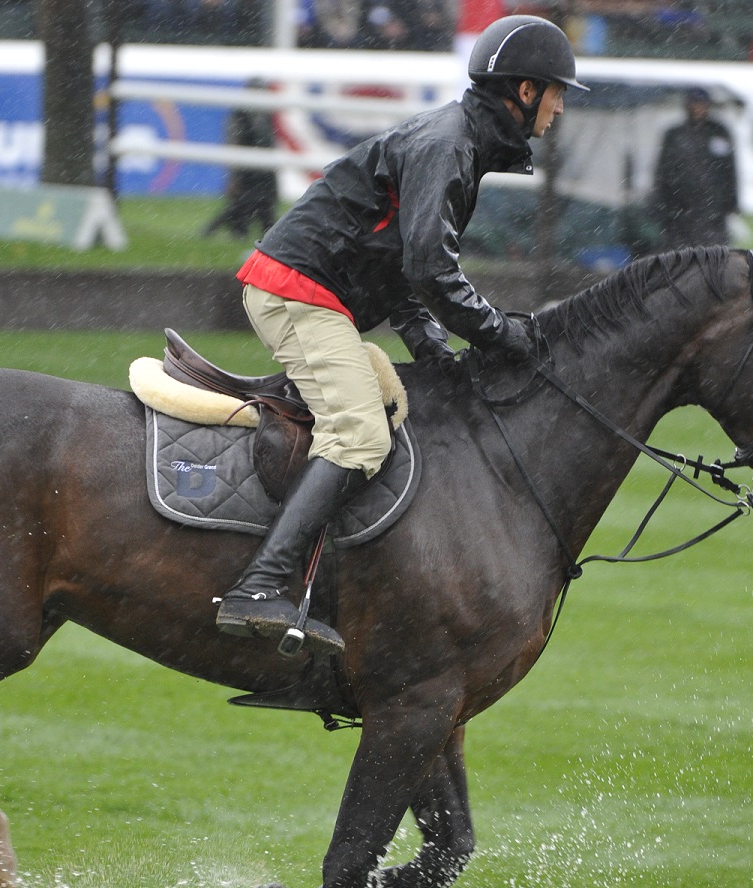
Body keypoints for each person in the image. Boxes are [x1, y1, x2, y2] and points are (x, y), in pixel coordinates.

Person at [215, 14, 587, 655]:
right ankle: (261, 585)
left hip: (312, 290)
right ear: (524, 92)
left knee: (389, 407)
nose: (558, 107)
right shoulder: (451, 145)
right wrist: (501, 335)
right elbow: (428, 269)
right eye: (555, 91)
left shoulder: (461, 141)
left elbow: (400, 267)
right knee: (358, 432)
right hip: (296, 290)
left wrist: (434, 348)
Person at [652, 86, 738, 249]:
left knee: (711, 250)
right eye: (694, 104)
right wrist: (661, 202)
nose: (698, 109)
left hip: (712, 208)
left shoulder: (718, 132)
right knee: (679, 251)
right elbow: (663, 170)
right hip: (679, 207)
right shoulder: (675, 135)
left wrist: (731, 201)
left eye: (701, 104)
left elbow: (729, 169)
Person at [203, 79, 278, 239]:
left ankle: (266, 239)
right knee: (244, 207)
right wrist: (235, 172)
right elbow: (234, 142)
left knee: (260, 208)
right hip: (248, 171)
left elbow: (268, 141)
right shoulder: (241, 114)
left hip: (263, 171)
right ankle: (214, 232)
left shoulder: (264, 113)